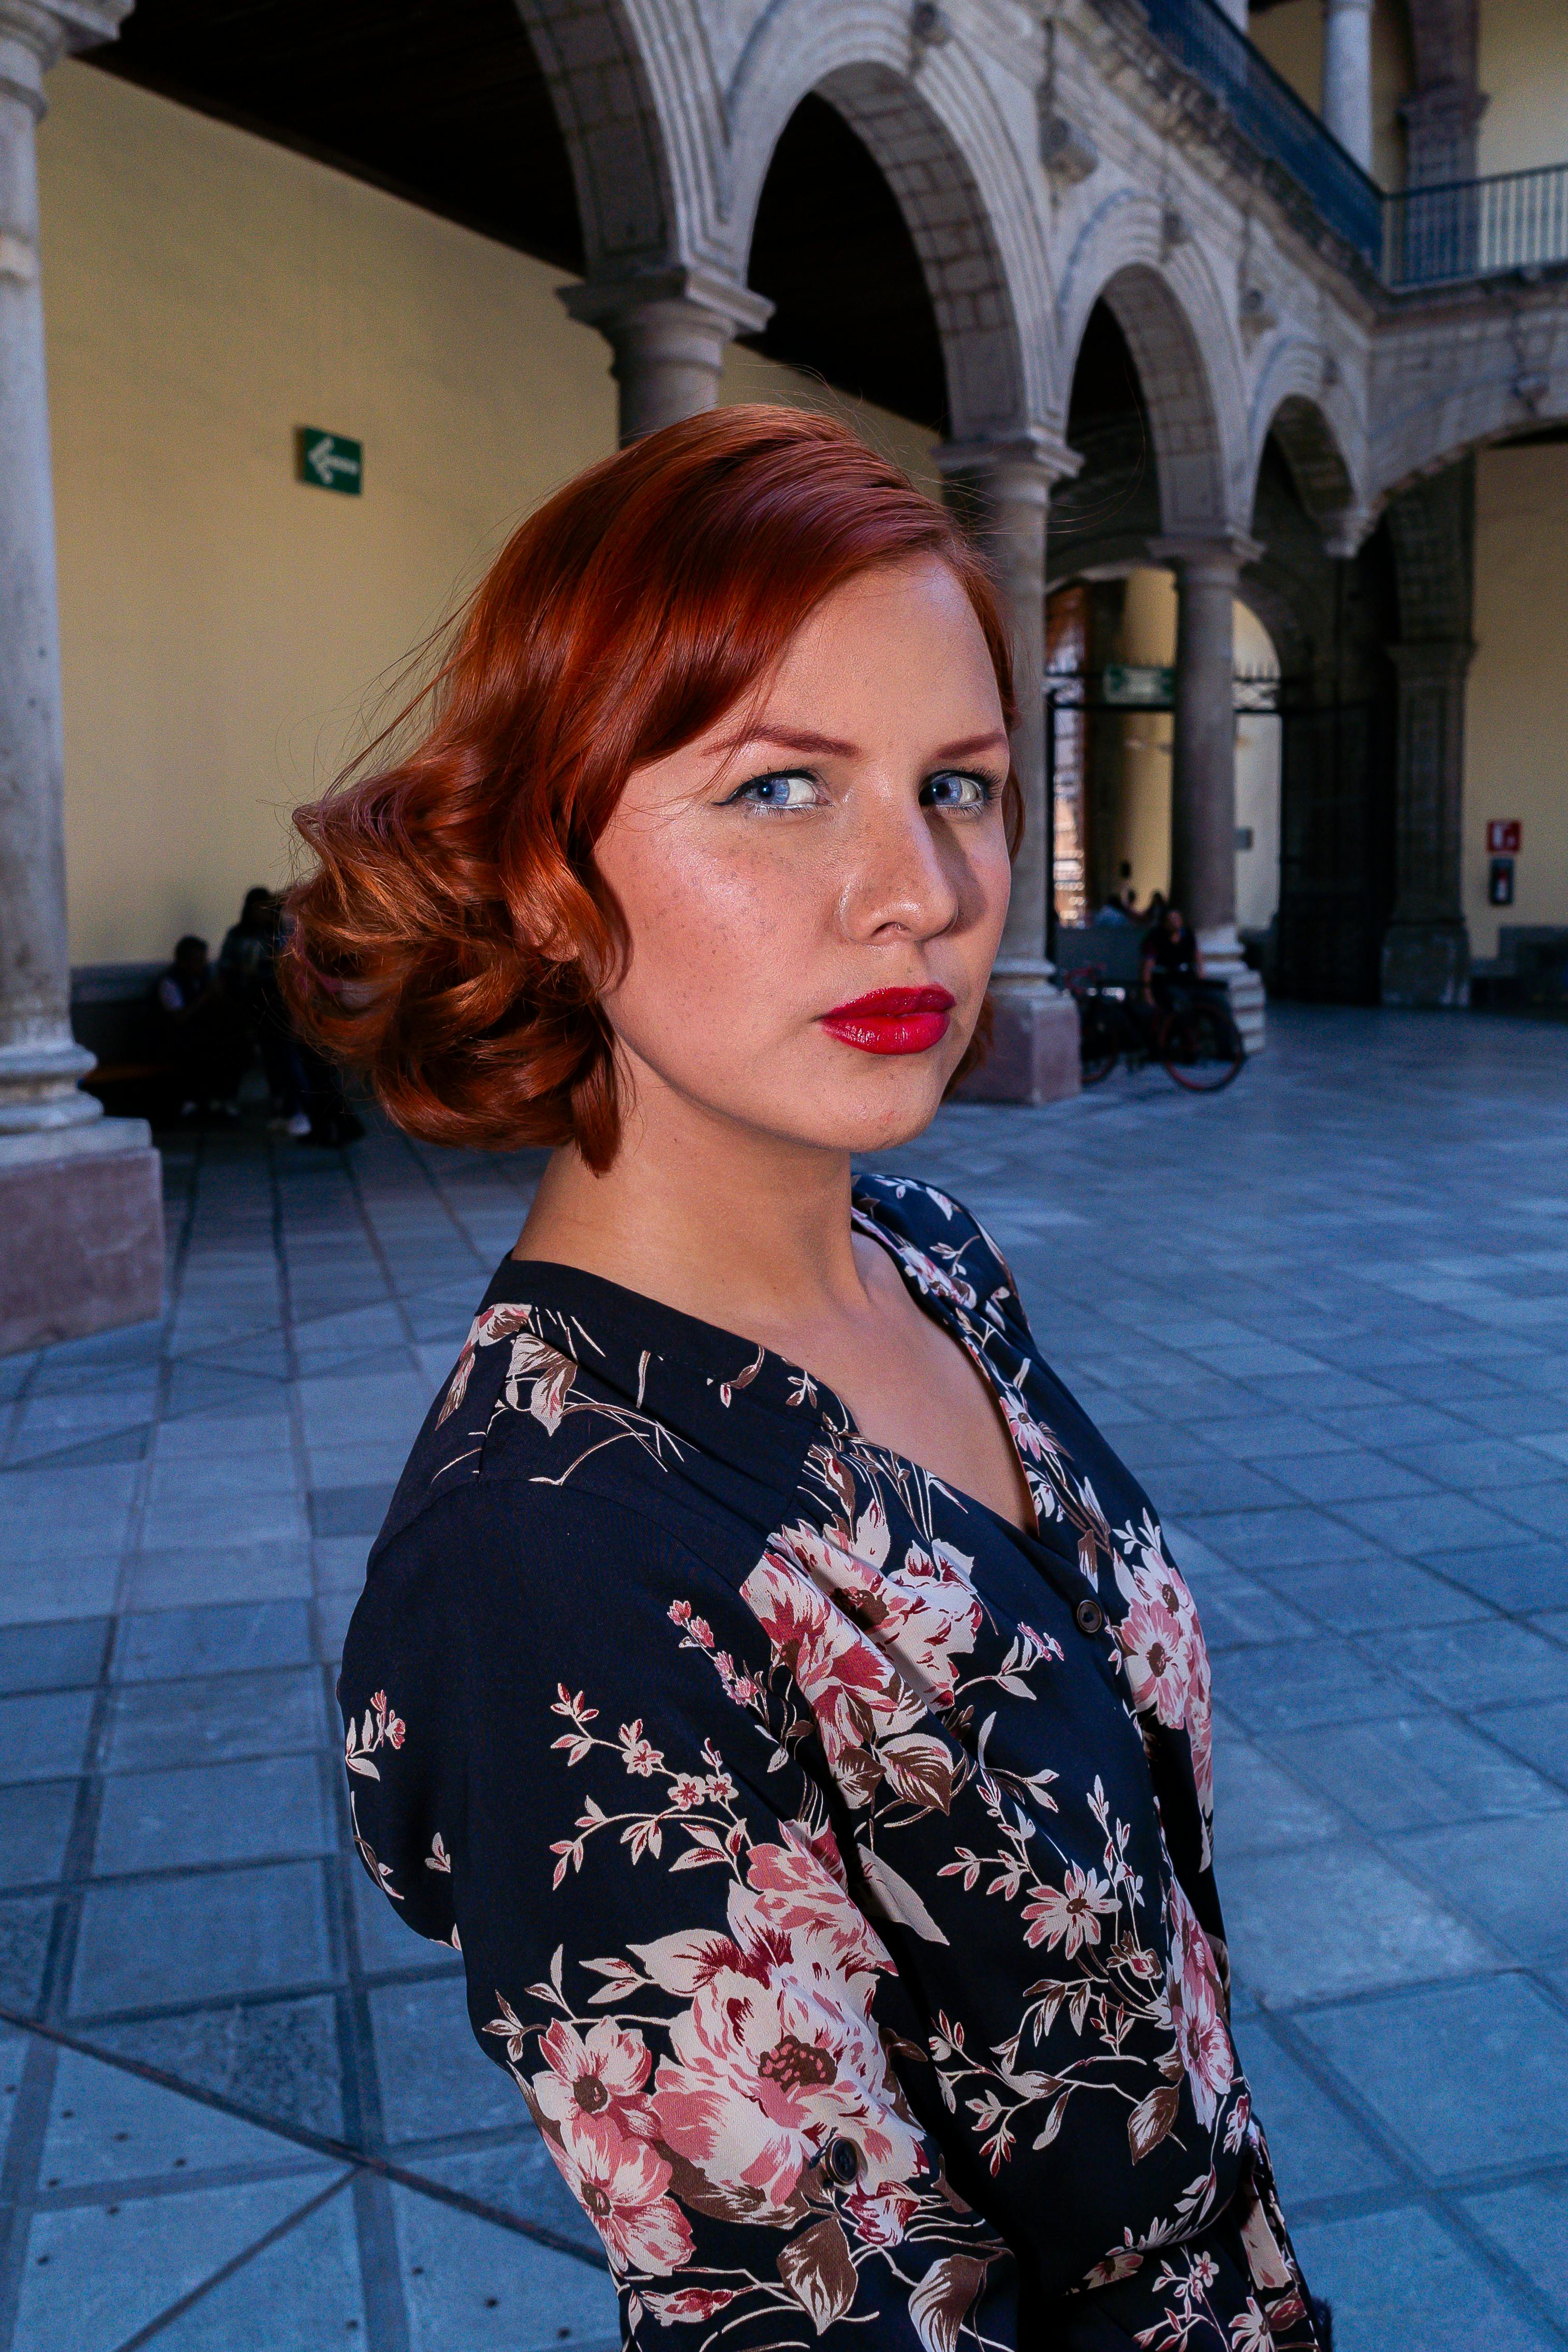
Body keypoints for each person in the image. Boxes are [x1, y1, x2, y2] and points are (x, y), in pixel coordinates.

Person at [287, 408, 1326, 2350]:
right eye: (779, 788)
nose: (917, 889)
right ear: (542, 874)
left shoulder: (928, 1258)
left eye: (959, 786)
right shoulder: (559, 1557)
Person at [219, 886, 312, 1136]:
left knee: (286, 1054)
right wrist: (239, 970)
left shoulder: (279, 932)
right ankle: (278, 1102)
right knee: (267, 1054)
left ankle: (298, 1109)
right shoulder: (238, 934)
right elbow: (224, 963)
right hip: (247, 998)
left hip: (276, 999)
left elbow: (288, 963)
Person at [152, 934, 245, 1119]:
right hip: (173, 1038)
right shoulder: (170, 982)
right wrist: (206, 996)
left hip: (204, 1035)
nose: (202, 965)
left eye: (203, 960)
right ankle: (195, 1101)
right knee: (204, 1050)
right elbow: (179, 1019)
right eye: (196, 961)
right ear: (183, 962)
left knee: (233, 1045)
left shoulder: (206, 977)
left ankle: (223, 1099)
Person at [1141, 903, 1203, 1007]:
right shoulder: (1155, 938)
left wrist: (1201, 976)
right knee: (1181, 1001)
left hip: (1187, 978)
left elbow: (1197, 955)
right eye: (1171, 920)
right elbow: (1147, 968)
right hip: (1166, 982)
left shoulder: (1187, 935)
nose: (1175, 922)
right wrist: (1148, 995)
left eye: (1177, 919)